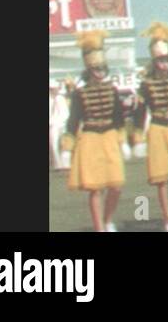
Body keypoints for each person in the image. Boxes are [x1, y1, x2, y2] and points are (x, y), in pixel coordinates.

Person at [65, 30, 126, 232]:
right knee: (95, 188)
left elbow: (119, 117)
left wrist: (123, 140)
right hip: (89, 139)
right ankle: (99, 228)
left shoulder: (112, 90)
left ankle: (108, 220)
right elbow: (74, 119)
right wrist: (68, 145)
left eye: (102, 68)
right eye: (96, 69)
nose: (100, 71)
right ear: (89, 70)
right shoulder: (79, 93)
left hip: (109, 137)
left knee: (116, 186)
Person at [135, 21, 168, 232]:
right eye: (160, 60)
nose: (164, 64)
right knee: (162, 179)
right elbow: (141, 111)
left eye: (166, 59)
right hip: (158, 128)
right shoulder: (146, 84)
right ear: (154, 61)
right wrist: (138, 134)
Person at [50, 79, 70, 170]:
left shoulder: (61, 98)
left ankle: (66, 163)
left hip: (62, 123)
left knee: (65, 143)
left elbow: (66, 111)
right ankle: (57, 164)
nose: (56, 90)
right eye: (54, 89)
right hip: (52, 125)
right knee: (54, 144)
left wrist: (63, 121)